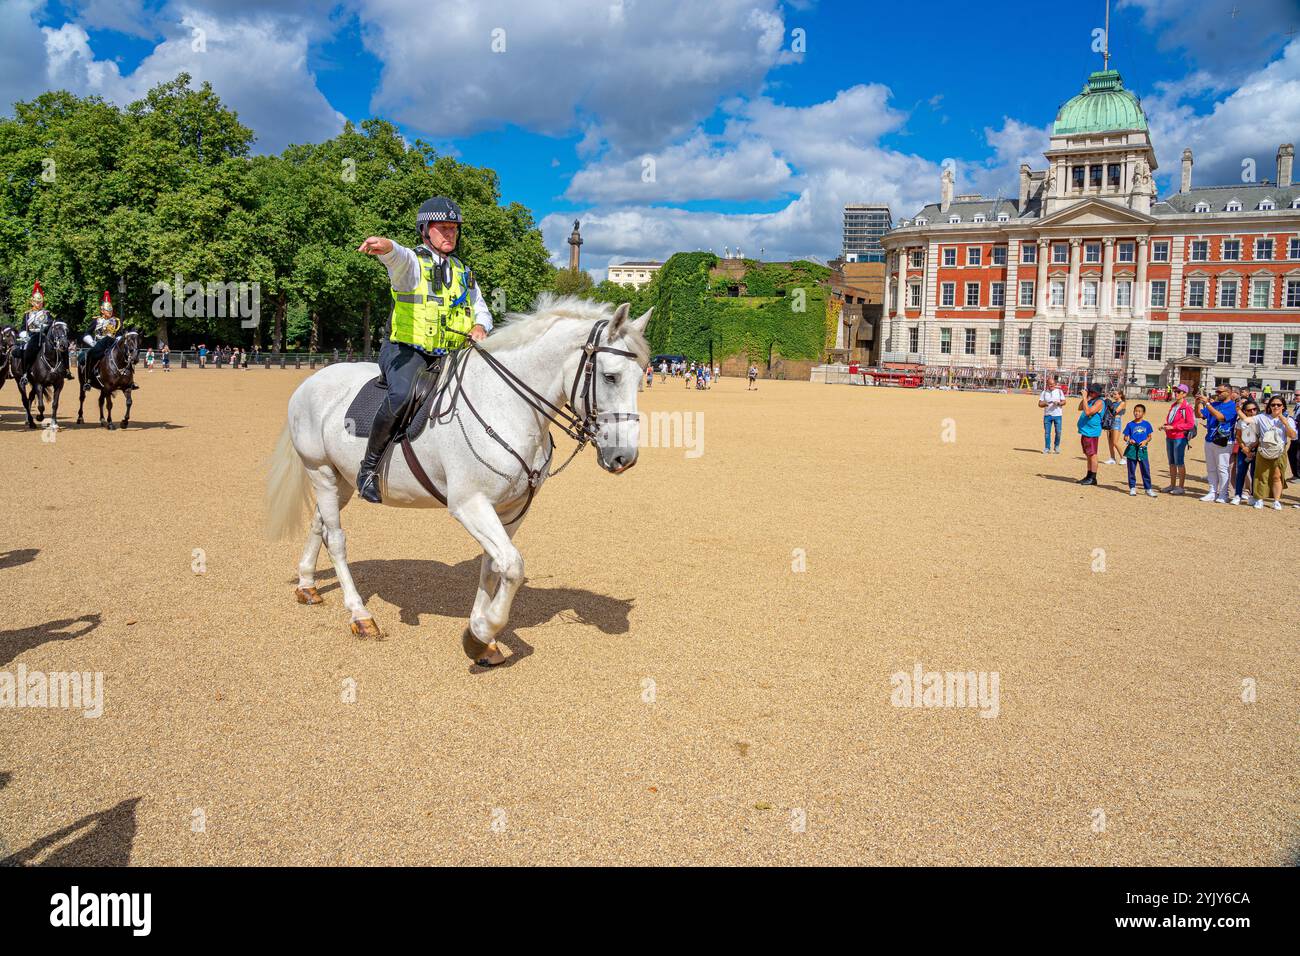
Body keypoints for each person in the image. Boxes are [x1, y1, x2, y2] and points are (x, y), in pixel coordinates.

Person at [354, 196, 492, 504]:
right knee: (402, 395)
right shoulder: (412, 265)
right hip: (405, 351)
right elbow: (398, 258)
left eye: (453, 228)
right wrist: (388, 248)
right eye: (442, 228)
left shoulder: (463, 271)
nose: (449, 234)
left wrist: (480, 326)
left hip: (449, 354)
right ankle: (368, 469)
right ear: (424, 230)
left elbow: (480, 307)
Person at [1251, 396, 1296, 510]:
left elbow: (1293, 436)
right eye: (1273, 404)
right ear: (1269, 406)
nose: (1275, 407)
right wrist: (1239, 410)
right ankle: (1259, 498)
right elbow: (1247, 420)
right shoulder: (1261, 417)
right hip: (1264, 449)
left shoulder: (1288, 419)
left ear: (1283, 406)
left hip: (1279, 450)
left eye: (1279, 405)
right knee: (1261, 475)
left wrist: (1285, 422)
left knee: (1277, 476)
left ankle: (1276, 501)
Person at [1196, 383, 1237, 503]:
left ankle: (1223, 493)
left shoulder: (1232, 406)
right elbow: (1199, 415)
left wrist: (1207, 404)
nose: (1217, 394)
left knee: (1222, 468)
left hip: (1224, 440)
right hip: (1210, 438)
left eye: (1220, 392)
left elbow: (1221, 417)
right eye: (1217, 392)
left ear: (1228, 392)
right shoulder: (1214, 404)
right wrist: (1198, 403)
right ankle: (1212, 491)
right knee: (1211, 468)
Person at [81, 290, 131, 386]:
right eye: (108, 310)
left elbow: (119, 334)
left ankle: (130, 380)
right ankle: (87, 380)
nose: (110, 312)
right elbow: (87, 333)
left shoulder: (116, 321)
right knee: (89, 355)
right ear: (102, 310)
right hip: (99, 344)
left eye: (111, 310)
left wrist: (118, 340)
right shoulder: (96, 320)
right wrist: (92, 343)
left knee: (127, 355)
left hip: (113, 344)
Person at [1159, 383, 1194, 494]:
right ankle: (1172, 485)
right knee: (1171, 462)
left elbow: (1190, 424)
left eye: (1179, 392)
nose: (1176, 393)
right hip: (1169, 436)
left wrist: (1173, 427)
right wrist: (1165, 425)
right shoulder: (1173, 406)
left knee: (1179, 462)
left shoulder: (1187, 407)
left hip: (1179, 437)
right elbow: (1172, 420)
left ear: (1184, 394)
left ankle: (1181, 487)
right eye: (1175, 391)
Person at [1122, 404, 1156, 497]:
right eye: (1135, 411)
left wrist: (1145, 441)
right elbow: (1125, 437)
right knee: (1131, 469)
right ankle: (1132, 487)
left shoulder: (1147, 424)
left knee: (1145, 469)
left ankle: (1148, 488)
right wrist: (1129, 440)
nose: (1137, 413)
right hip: (1132, 450)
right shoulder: (1130, 424)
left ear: (1143, 413)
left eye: (1139, 411)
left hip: (1142, 450)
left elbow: (1149, 437)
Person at [1230, 398, 1259, 505]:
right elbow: (1238, 436)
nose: (1252, 412)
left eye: (1254, 409)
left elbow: (1260, 437)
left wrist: (1251, 448)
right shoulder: (1240, 422)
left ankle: (1253, 495)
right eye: (1249, 410)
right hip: (1244, 449)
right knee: (1241, 472)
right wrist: (1244, 448)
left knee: (1254, 473)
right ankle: (1237, 495)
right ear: (1245, 411)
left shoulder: (1260, 420)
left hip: (1256, 449)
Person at [1076, 384, 1105, 485]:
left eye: (1093, 392)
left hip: (1092, 433)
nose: (1091, 393)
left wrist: (1085, 397)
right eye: (1090, 391)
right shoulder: (1091, 399)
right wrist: (1086, 398)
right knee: (1088, 454)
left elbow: (1088, 412)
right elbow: (1080, 407)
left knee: (1092, 455)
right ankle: (1088, 475)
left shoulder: (1100, 402)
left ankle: (1093, 477)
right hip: (1086, 431)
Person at [1038, 375, 1066, 454]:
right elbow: (1039, 404)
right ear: (1047, 385)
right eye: (1050, 385)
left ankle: (1056, 446)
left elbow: (1064, 402)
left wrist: (1059, 403)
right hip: (1047, 415)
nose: (1052, 386)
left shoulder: (1059, 391)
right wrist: (1045, 403)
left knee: (1058, 432)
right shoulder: (1044, 393)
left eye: (1053, 385)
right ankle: (1047, 448)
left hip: (1058, 415)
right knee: (1047, 433)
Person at [1101, 388, 1126, 465]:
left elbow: (1115, 412)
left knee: (1115, 442)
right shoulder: (1113, 402)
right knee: (1110, 442)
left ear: (1120, 395)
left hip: (1116, 422)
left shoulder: (1122, 403)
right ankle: (1112, 458)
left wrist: (1109, 404)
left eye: (1115, 394)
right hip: (1109, 422)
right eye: (1113, 394)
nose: (1113, 395)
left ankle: (1124, 458)